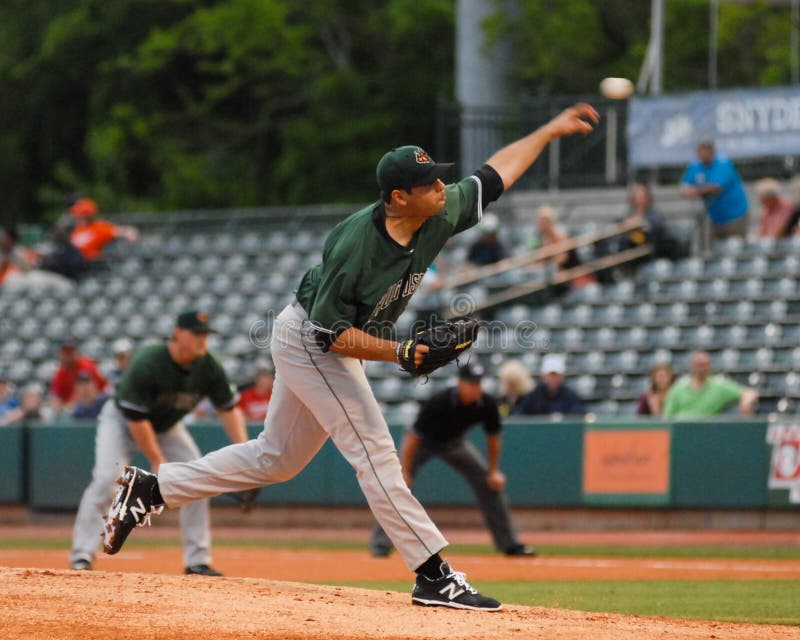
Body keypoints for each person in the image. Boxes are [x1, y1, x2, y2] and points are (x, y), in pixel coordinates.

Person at [100, 103, 600, 611]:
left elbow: (494, 177)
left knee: (275, 459)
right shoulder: (355, 246)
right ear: (399, 197)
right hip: (311, 338)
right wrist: (403, 351)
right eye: (429, 184)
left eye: (439, 180)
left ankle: (153, 489)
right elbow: (329, 334)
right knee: (375, 451)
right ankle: (433, 574)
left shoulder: (438, 212)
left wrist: (549, 130)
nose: (442, 189)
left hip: (330, 339)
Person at [70, 310, 249, 574]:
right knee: (107, 478)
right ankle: (81, 555)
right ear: (178, 333)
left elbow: (229, 408)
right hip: (121, 421)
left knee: (198, 479)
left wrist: (244, 455)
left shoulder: (208, 365)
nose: (203, 340)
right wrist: (157, 459)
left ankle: (196, 560)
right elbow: (136, 417)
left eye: (205, 335)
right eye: (197, 334)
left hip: (165, 426)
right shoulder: (150, 360)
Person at [370, 362, 535, 559]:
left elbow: (493, 438)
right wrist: (404, 471)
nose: (475, 387)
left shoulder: (487, 403)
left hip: (455, 444)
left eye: (478, 383)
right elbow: (412, 437)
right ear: (461, 383)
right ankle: (381, 545)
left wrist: (493, 471)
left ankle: (510, 544)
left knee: (490, 484)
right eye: (471, 383)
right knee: (398, 487)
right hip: (423, 444)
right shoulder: (440, 401)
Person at [680, 139, 749, 243]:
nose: (703, 154)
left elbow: (716, 187)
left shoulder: (723, 163)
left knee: (735, 245)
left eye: (706, 150)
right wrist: (701, 189)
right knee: (714, 249)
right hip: (715, 217)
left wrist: (696, 190)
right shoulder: (695, 166)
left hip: (735, 215)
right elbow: (684, 188)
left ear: (712, 151)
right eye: (701, 151)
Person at [663, 351, 758, 419]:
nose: (703, 369)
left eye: (706, 365)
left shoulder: (719, 386)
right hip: (681, 430)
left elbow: (749, 392)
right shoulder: (678, 388)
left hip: (706, 432)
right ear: (692, 366)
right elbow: (667, 416)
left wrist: (746, 402)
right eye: (699, 365)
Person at [534, 205, 595, 294]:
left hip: (576, 275)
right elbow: (541, 260)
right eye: (539, 221)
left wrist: (545, 265)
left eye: (543, 221)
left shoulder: (561, 236)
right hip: (561, 276)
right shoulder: (544, 240)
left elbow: (562, 259)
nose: (540, 224)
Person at [69, 197, 139, 262]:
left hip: (89, 264)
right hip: (73, 261)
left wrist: (130, 235)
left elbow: (126, 231)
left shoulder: (99, 227)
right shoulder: (77, 229)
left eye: (82, 214)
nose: (78, 217)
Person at [514, 353, 585, 416]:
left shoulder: (571, 397)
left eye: (556, 375)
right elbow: (519, 416)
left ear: (562, 376)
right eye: (550, 375)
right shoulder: (533, 396)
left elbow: (577, 416)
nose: (553, 378)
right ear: (543, 376)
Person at [49, 342, 107, 413]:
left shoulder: (86, 365)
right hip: (72, 409)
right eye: (65, 353)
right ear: (61, 355)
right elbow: (55, 397)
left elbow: (99, 388)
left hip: (94, 403)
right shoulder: (60, 374)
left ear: (76, 353)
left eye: (70, 352)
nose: (68, 356)